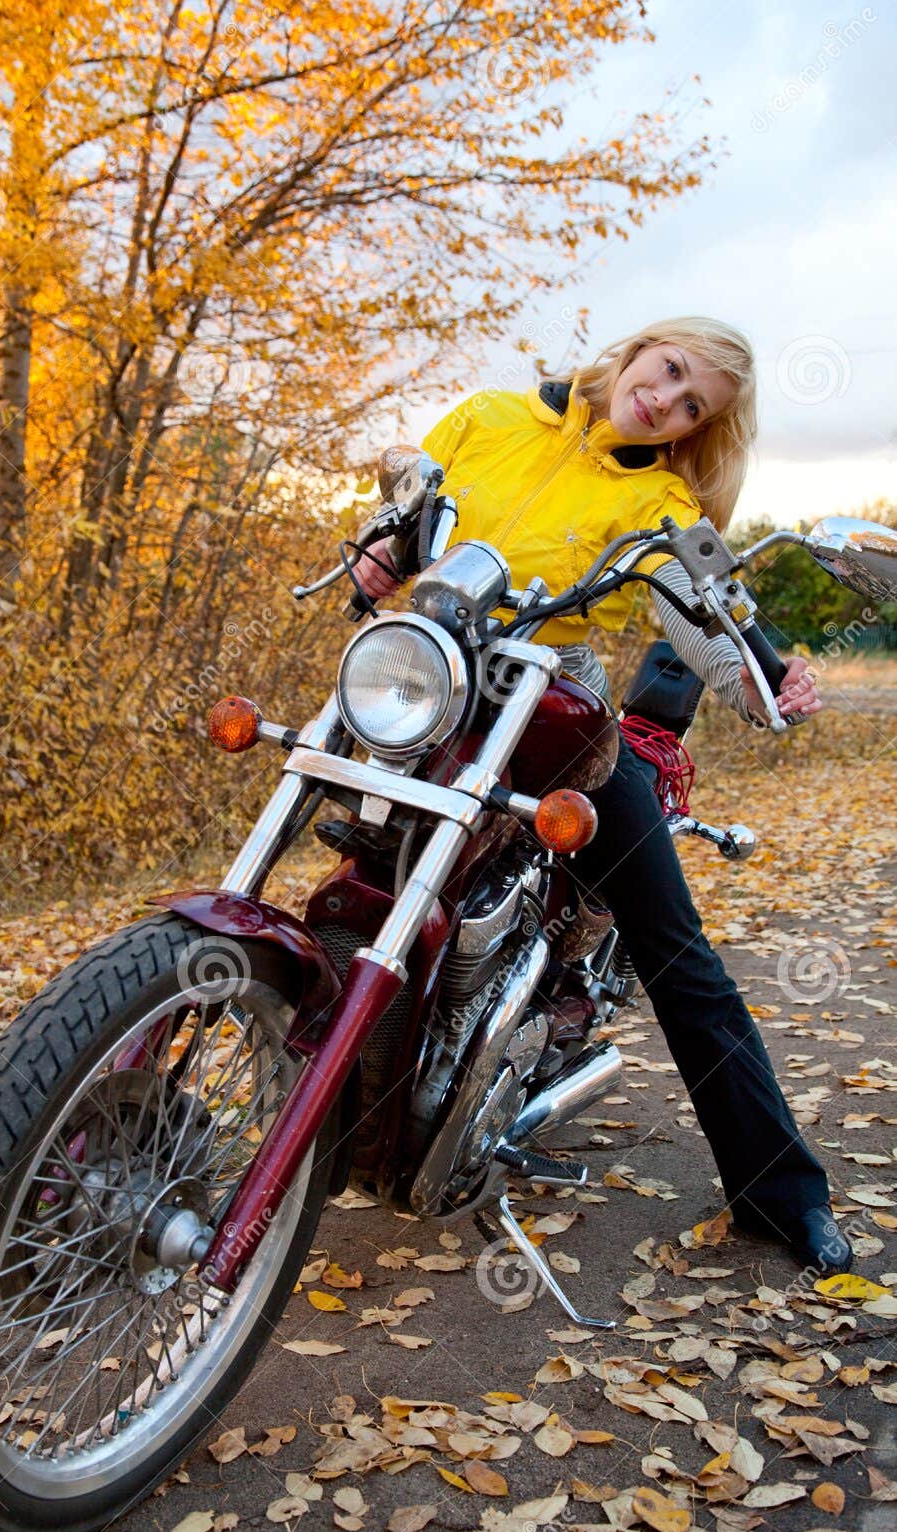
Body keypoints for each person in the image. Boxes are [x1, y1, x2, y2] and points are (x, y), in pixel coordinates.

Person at [354, 315, 853, 1274]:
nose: (663, 399)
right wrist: (380, 550)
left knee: (678, 952)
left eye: (690, 404)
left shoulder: (660, 502)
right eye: (667, 371)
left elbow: (708, 620)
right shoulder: (491, 416)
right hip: (420, 690)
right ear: (635, 351)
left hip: (554, 720)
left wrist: (767, 677)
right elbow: (407, 521)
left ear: (689, 434)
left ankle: (778, 1194)